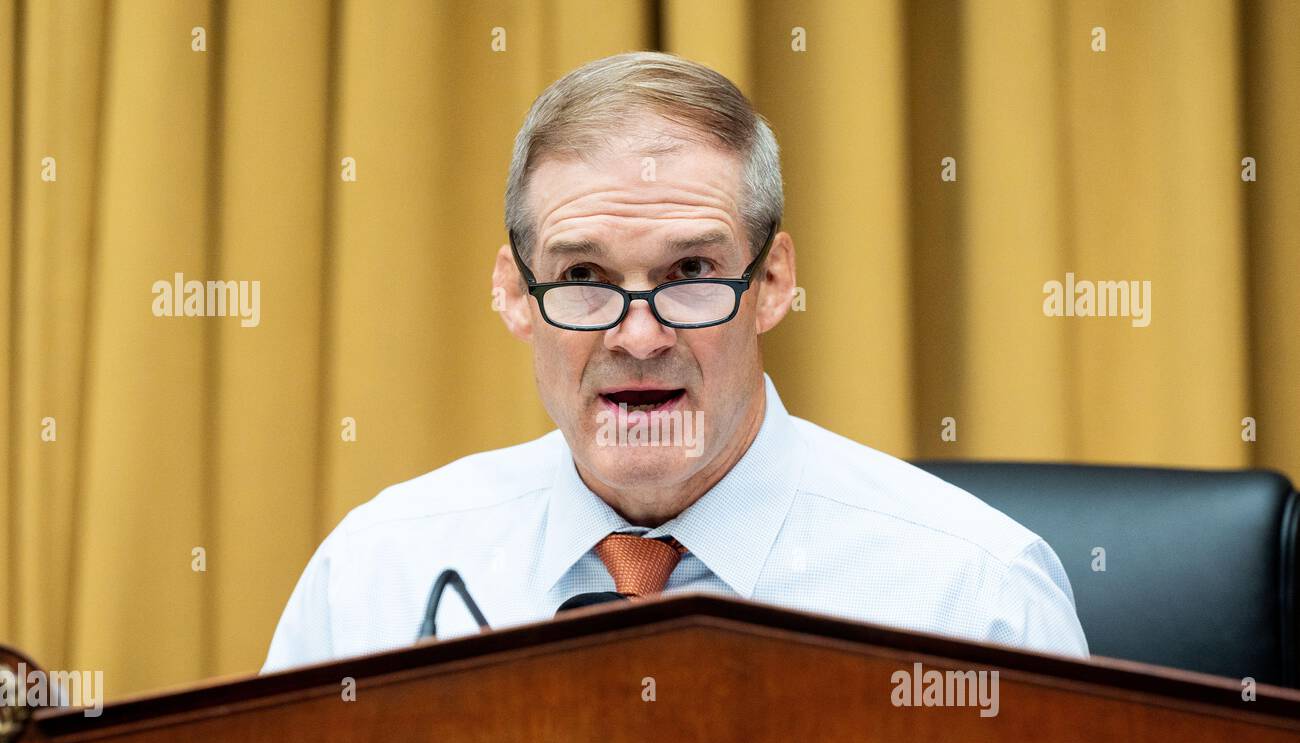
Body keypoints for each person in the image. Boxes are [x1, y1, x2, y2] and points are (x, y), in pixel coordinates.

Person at [262, 51, 1087, 672]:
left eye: (689, 273)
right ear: (516, 293)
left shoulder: (972, 597)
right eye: (583, 277)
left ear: (771, 282)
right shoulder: (375, 576)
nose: (639, 336)